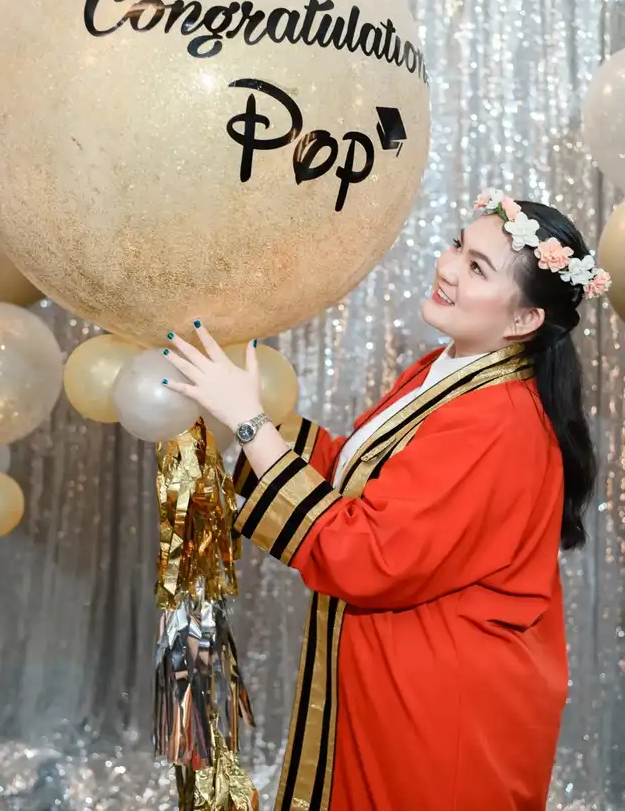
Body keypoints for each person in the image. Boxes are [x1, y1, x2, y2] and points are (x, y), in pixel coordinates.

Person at [161, 189, 611, 811]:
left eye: (477, 268)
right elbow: (361, 473)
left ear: (522, 321)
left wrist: (250, 426)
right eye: (457, 245)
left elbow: (367, 553)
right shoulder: (450, 366)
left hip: (438, 704)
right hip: (405, 670)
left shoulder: (498, 420)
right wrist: (247, 421)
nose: (447, 267)